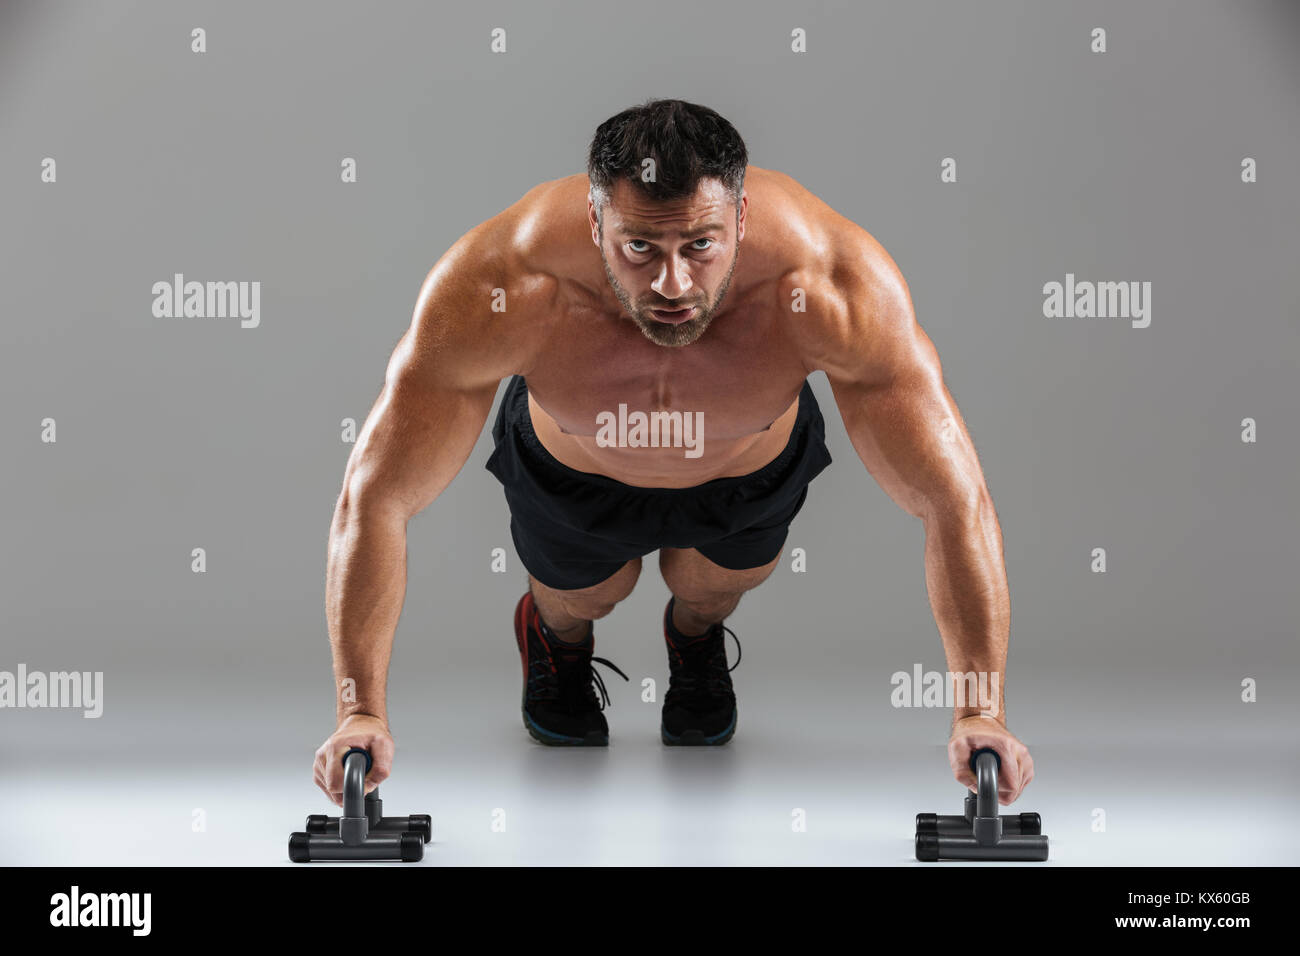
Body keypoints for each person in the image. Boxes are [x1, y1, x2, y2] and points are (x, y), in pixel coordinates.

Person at [313, 99, 1034, 809]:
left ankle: (695, 638)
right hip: (576, 477)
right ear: (596, 223)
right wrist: (360, 711)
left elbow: (951, 498)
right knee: (585, 595)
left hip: (744, 473)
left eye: (700, 246)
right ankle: (557, 642)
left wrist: (980, 712)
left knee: (710, 587)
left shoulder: (828, 284)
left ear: (741, 220)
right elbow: (377, 497)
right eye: (640, 249)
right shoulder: (504, 284)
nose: (673, 285)